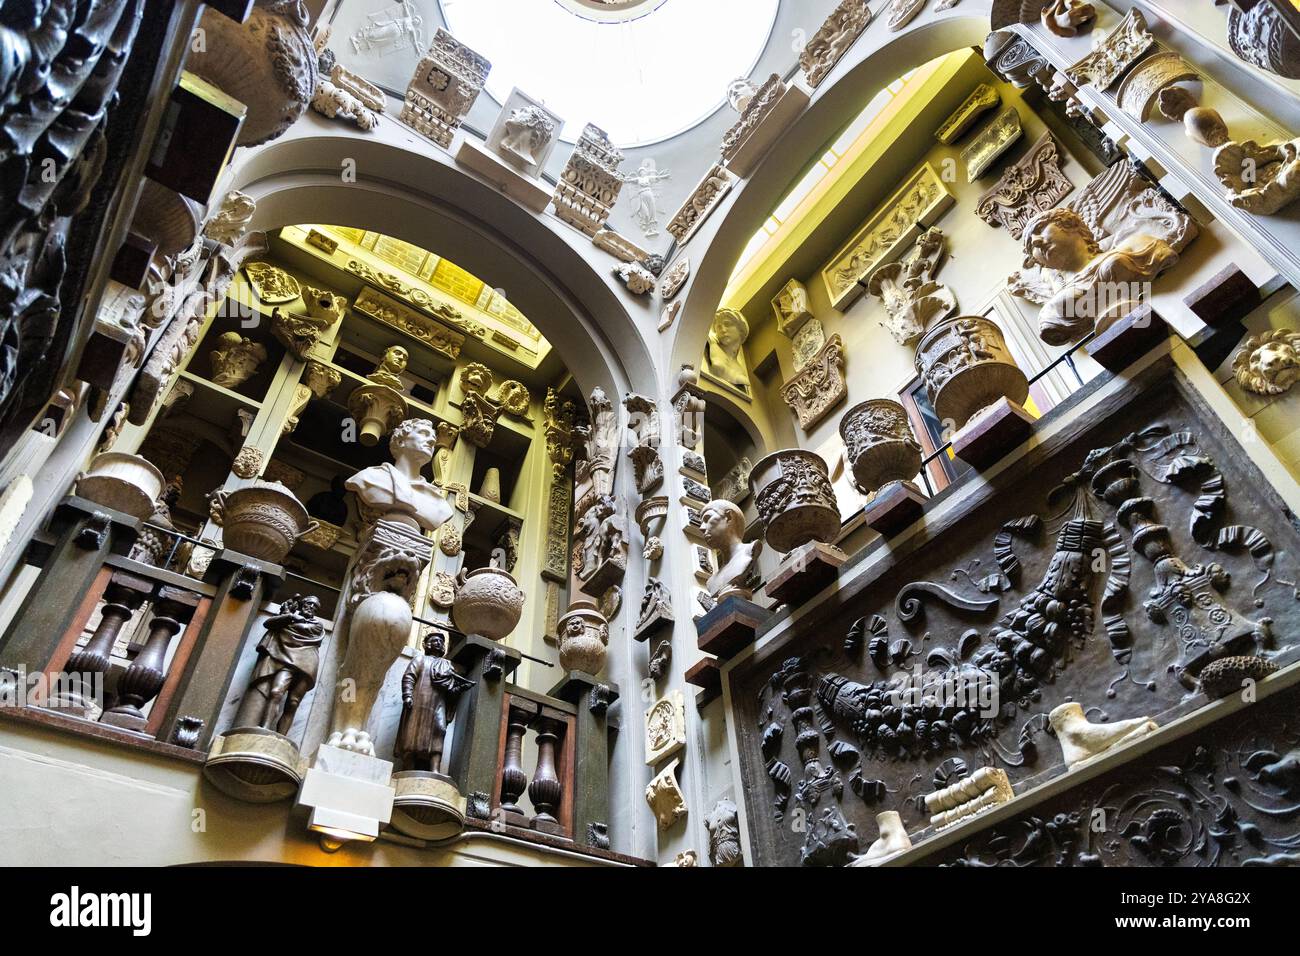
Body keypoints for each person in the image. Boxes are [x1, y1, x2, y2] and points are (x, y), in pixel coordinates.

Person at [232, 595, 324, 734]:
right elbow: (269, 623)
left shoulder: (317, 625)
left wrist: (289, 617)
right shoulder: (291, 618)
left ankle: (281, 737)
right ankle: (264, 728)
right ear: (303, 604)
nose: (311, 608)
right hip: (287, 660)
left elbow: (301, 629)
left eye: (314, 607)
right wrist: (289, 616)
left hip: (307, 663)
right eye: (309, 604)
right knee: (276, 692)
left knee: (293, 702)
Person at [395, 629, 473, 773]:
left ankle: (435, 768)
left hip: (438, 704)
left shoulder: (446, 665)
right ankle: (408, 765)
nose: (438, 643)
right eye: (434, 641)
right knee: (411, 733)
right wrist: (407, 695)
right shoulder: (420, 660)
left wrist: (458, 688)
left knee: (439, 730)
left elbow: (450, 686)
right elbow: (409, 677)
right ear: (426, 644)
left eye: (441, 642)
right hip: (419, 702)